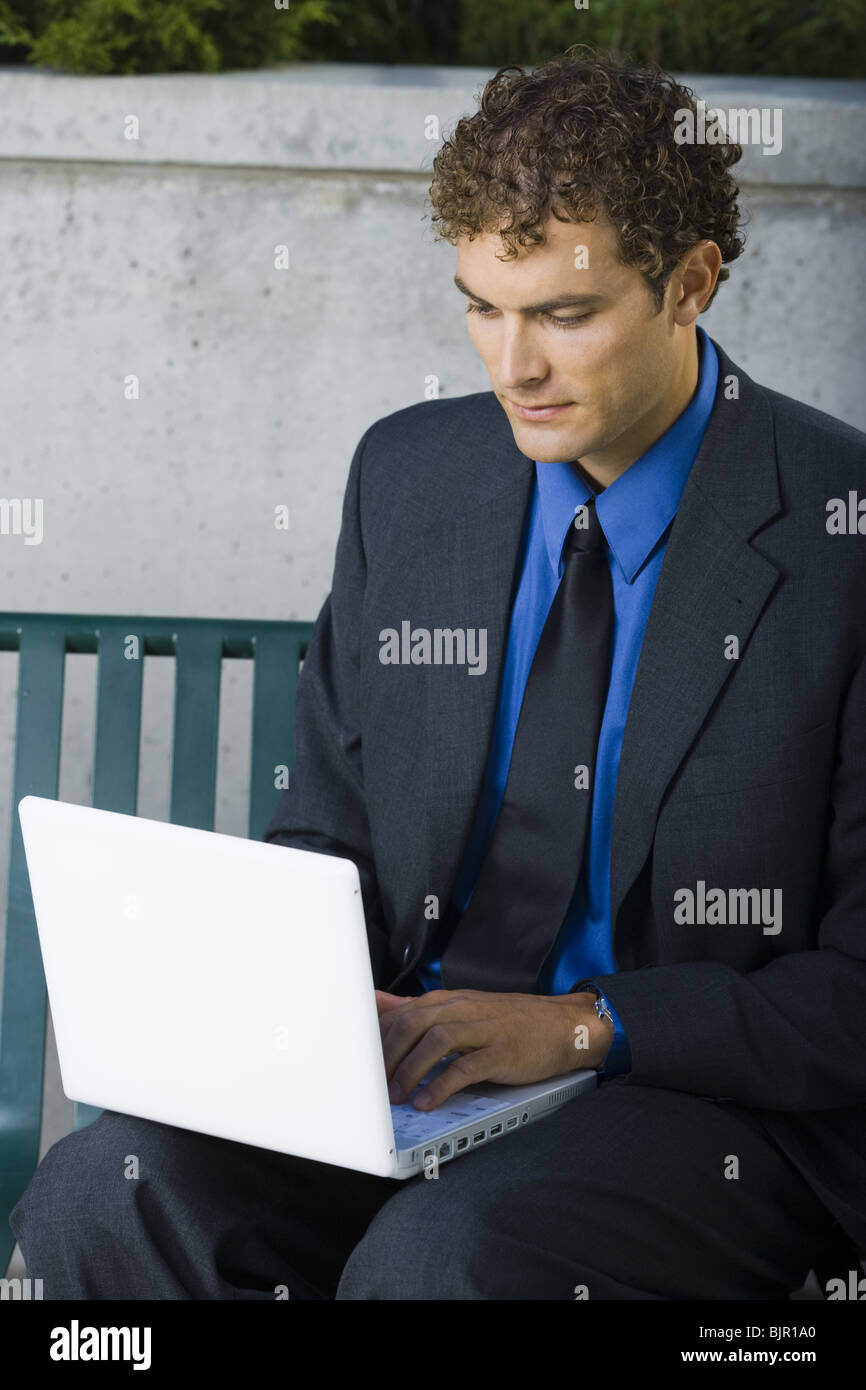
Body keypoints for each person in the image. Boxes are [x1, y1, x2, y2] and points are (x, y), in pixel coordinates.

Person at [11, 45, 866, 1300]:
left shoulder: (834, 529)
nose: (509, 366)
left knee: (441, 1262)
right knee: (103, 1195)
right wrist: (284, 999)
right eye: (479, 304)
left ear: (689, 284)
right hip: (415, 1071)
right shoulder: (411, 479)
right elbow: (334, 830)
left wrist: (582, 1026)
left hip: (698, 1100)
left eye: (563, 315)